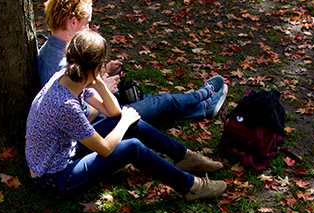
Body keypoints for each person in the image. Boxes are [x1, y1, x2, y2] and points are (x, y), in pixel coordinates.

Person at [26, 29, 226, 202]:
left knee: (129, 121)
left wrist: (100, 83)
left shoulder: (68, 76)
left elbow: (113, 112)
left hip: (63, 152)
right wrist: (124, 122)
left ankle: (184, 156)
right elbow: (105, 149)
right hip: (54, 179)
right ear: (93, 66)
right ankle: (192, 187)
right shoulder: (65, 105)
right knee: (132, 146)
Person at [37, 0, 228, 127]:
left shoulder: (54, 48)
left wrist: (100, 72)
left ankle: (202, 108)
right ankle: (201, 95)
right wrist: (105, 88)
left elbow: (83, 87)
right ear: (72, 23)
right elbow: (81, 117)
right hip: (99, 124)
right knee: (161, 101)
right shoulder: (59, 65)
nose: (88, 29)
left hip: (102, 107)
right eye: (86, 24)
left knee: (144, 98)